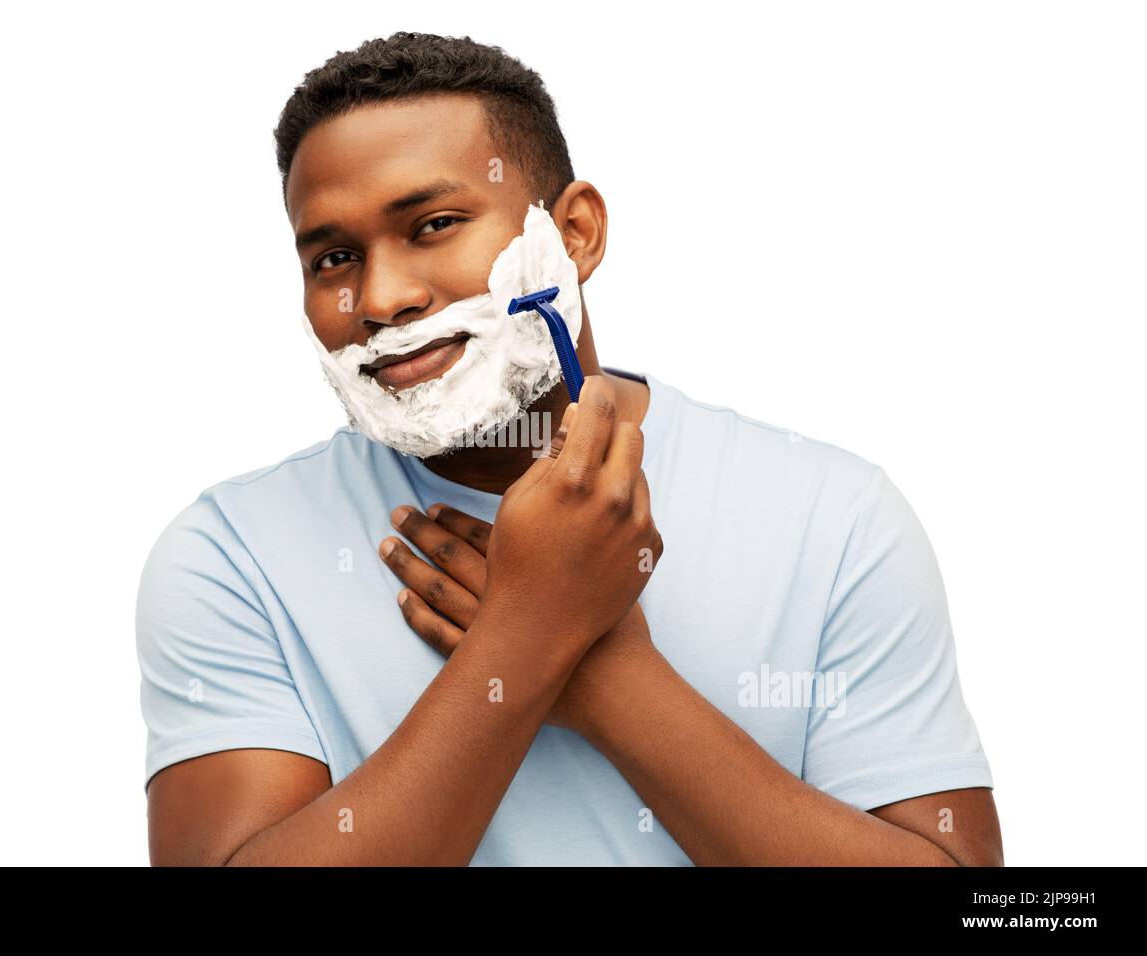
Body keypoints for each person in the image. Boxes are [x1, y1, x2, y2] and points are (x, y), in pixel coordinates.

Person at [136, 31, 1002, 866]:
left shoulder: (836, 517)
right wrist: (531, 629)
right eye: (332, 257)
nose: (383, 296)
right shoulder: (231, 556)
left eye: (434, 223)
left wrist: (608, 681)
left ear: (575, 233)